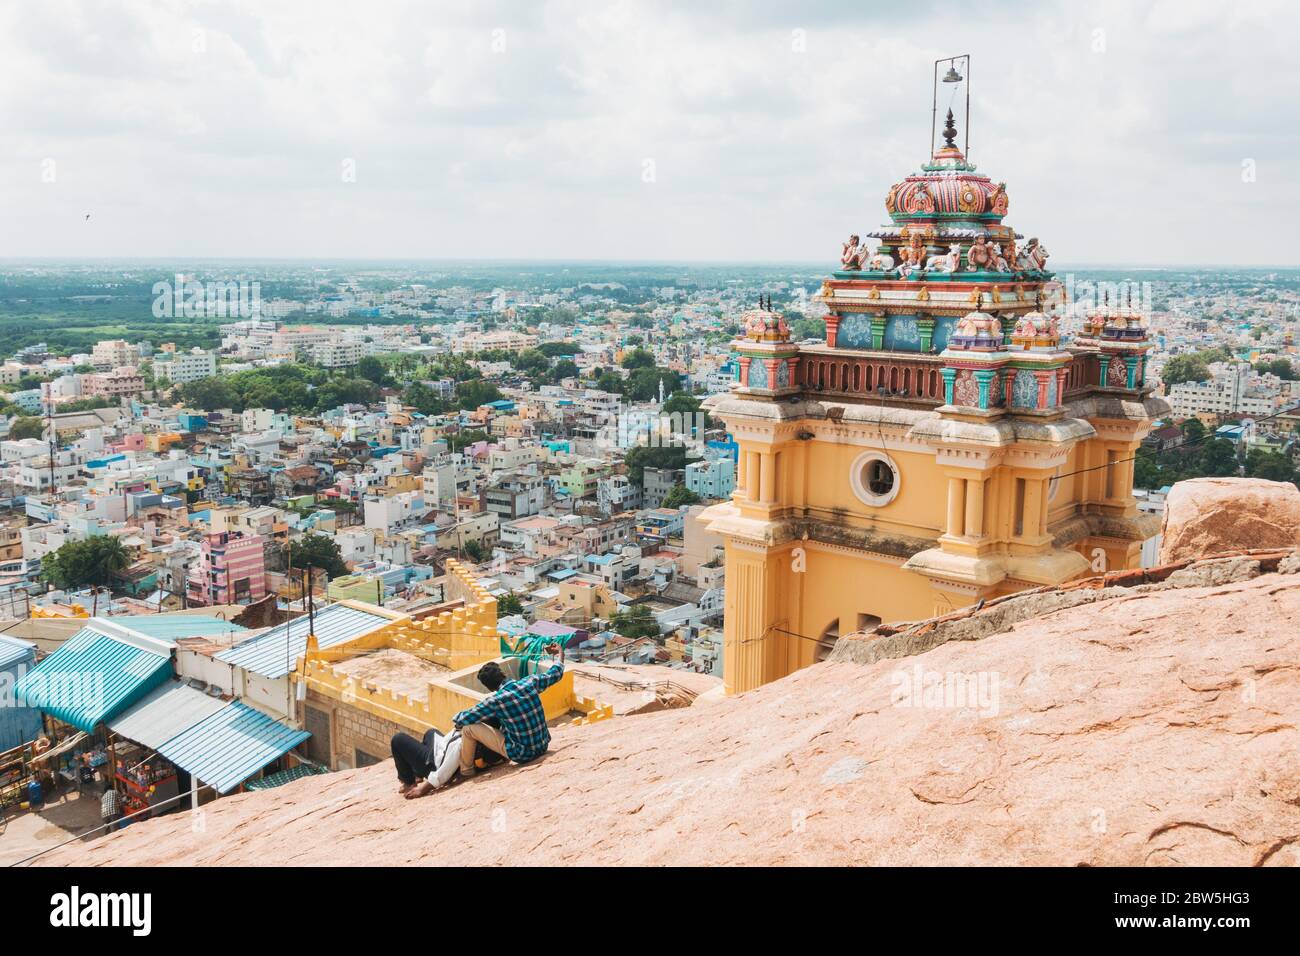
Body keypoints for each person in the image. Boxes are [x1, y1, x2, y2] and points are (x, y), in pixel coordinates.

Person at [403, 643, 565, 799]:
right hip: (543, 746)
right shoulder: (530, 682)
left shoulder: (495, 700)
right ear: (503, 674)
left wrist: (460, 719)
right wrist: (559, 653)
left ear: (489, 688)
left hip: (522, 754)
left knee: (468, 729)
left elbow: (462, 719)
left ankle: (466, 771)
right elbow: (556, 673)